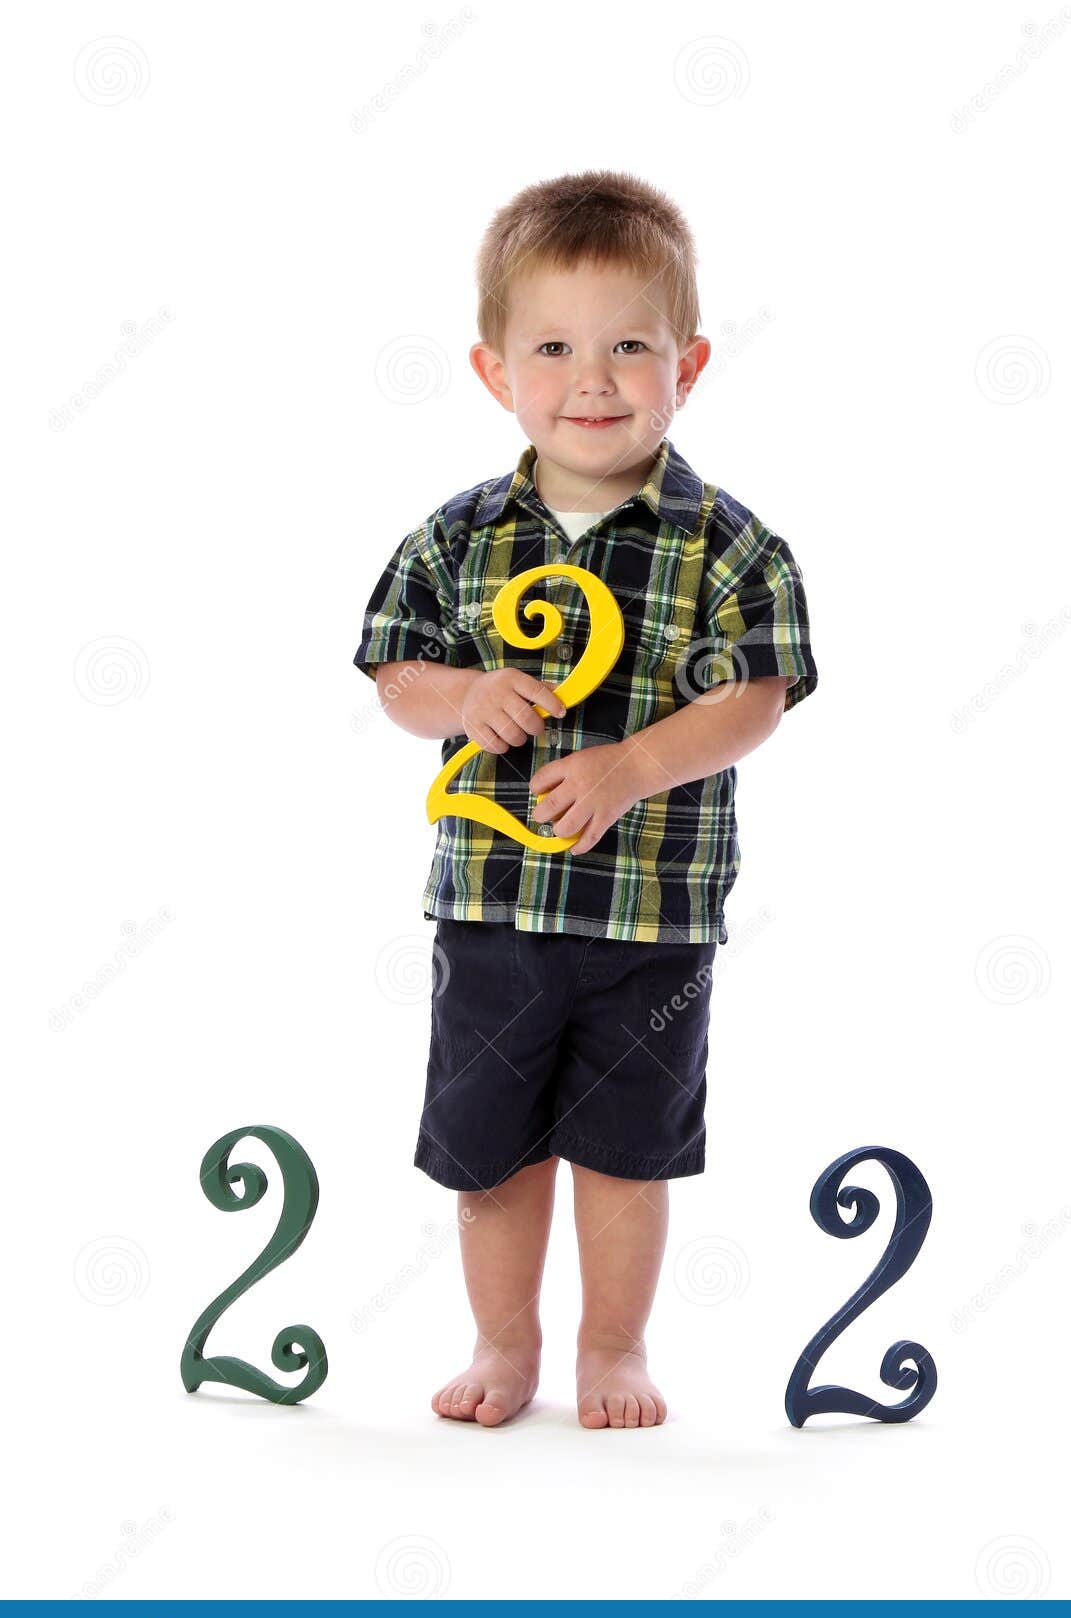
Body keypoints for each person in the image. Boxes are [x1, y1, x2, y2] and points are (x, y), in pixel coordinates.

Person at [353, 169, 818, 1430]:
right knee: (494, 1148)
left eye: (630, 347)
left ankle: (613, 1346)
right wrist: (462, 694)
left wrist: (631, 765)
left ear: (688, 365)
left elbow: (756, 699)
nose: (593, 380)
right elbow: (395, 677)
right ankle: (502, 1343)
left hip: (649, 920)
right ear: (495, 371)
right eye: (553, 348)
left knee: (624, 1146)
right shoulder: (456, 540)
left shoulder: (728, 545)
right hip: (493, 910)